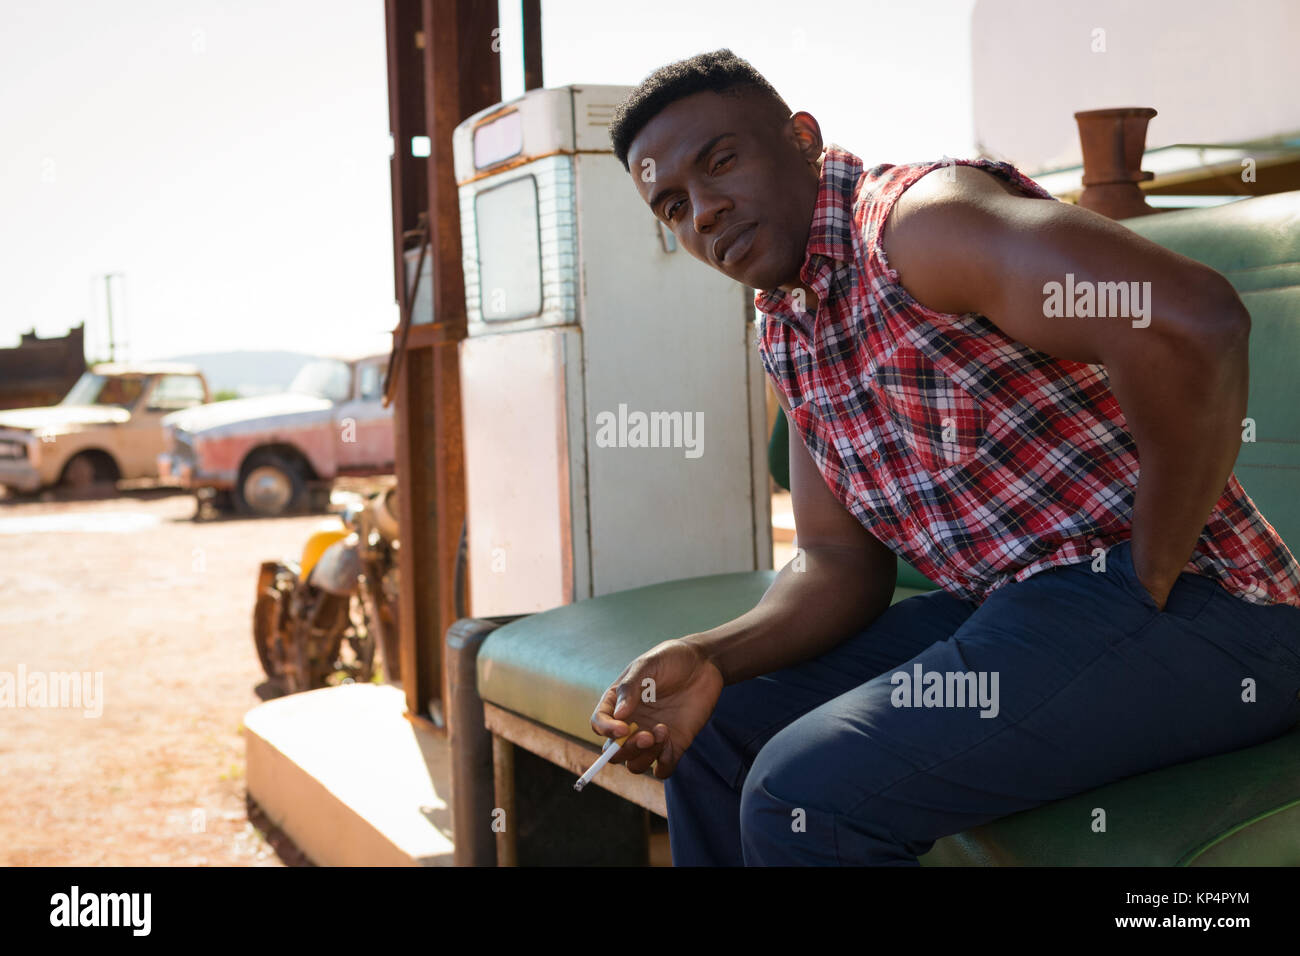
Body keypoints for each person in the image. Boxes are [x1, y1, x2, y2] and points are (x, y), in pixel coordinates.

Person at [589, 49, 1300, 865]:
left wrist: (1149, 570)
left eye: (721, 163)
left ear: (802, 138)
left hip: (1211, 620)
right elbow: (835, 564)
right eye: (673, 206)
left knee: (802, 795)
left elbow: (1189, 317)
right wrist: (710, 657)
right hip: (1010, 606)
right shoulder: (784, 323)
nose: (705, 213)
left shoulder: (919, 224)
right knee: (718, 732)